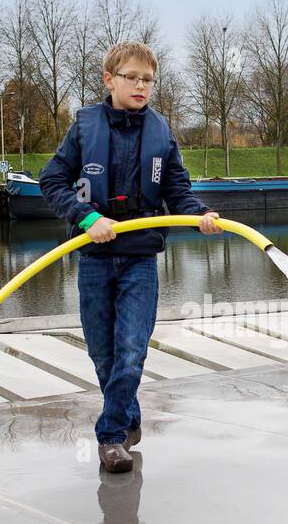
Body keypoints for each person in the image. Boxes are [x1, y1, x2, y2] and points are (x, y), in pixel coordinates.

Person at [39, 40, 221, 473]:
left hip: (139, 257)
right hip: (96, 256)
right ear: (109, 80)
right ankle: (128, 418)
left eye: (148, 80)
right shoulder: (84, 127)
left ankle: (110, 437)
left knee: (132, 351)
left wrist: (199, 215)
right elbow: (52, 181)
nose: (141, 86)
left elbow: (177, 189)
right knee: (103, 354)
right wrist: (86, 218)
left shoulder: (161, 131)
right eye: (132, 78)